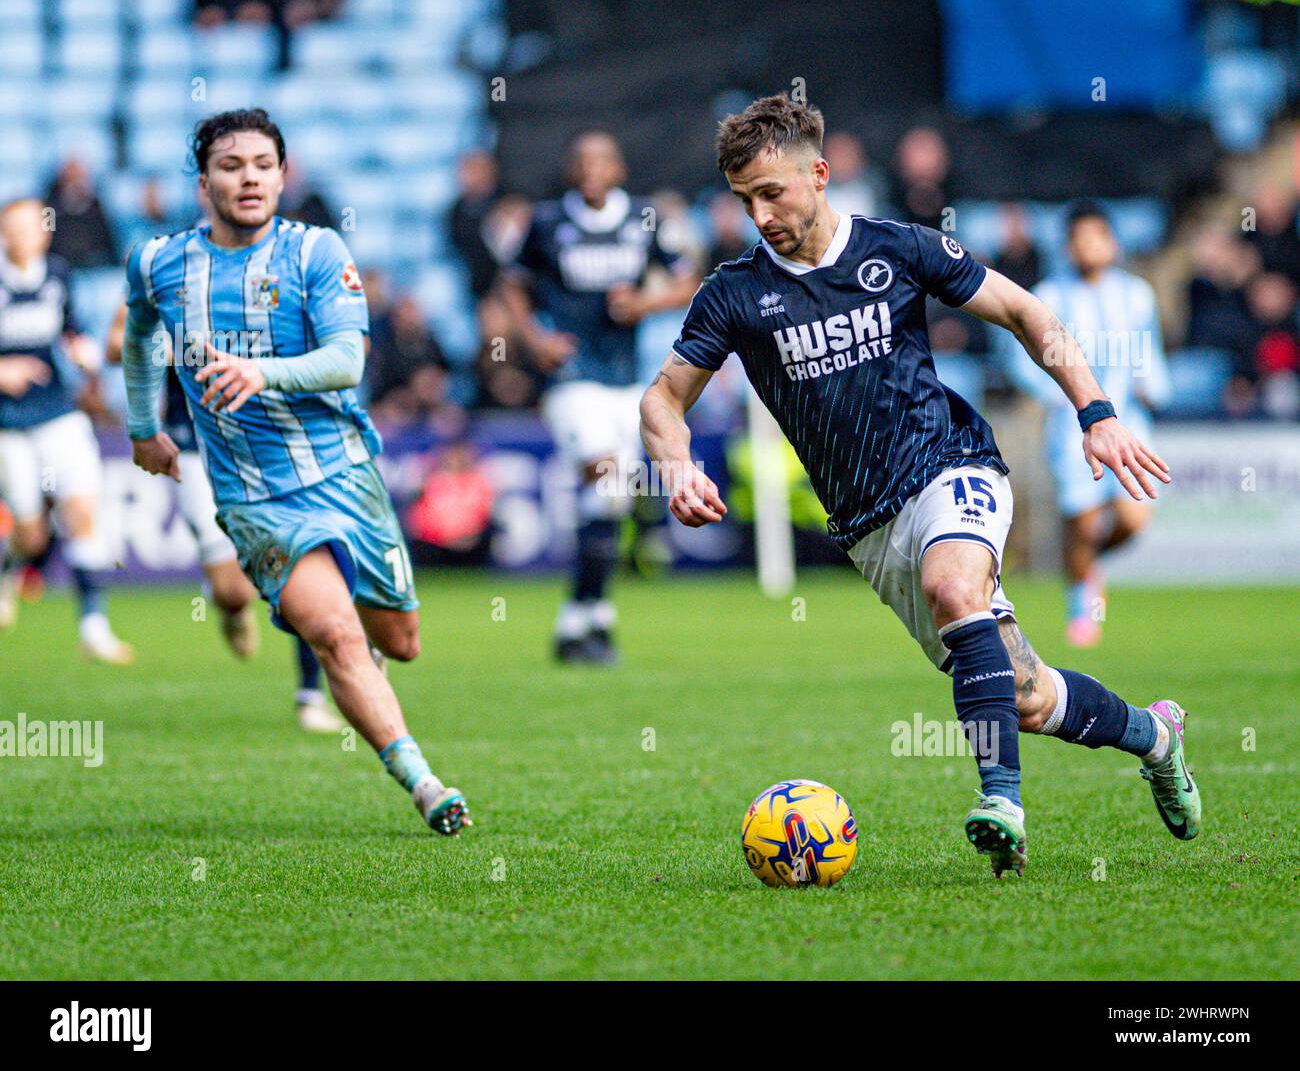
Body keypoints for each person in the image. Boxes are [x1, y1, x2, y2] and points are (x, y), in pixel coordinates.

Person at [640, 95, 1200, 877]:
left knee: (953, 586)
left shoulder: (900, 247)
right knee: (1028, 696)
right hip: (868, 526)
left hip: (954, 464)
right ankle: (1157, 736)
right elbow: (663, 399)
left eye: (772, 193)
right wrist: (675, 464)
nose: (758, 215)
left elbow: (1026, 313)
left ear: (821, 174)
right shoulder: (733, 294)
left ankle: (1001, 801)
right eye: (743, 200)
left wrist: (1096, 411)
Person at [120, 108, 469, 834]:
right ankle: (423, 782)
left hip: (343, 475)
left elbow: (347, 359)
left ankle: (363, 656)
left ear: (283, 175)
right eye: (229, 165)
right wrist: (143, 428)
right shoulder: (158, 262)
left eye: (262, 164)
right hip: (252, 496)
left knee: (399, 644)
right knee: (333, 633)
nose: (248, 177)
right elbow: (139, 335)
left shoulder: (315, 252)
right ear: (203, 179)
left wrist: (260, 372)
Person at [498, 130, 699, 664]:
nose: (591, 169)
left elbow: (690, 281)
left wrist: (644, 303)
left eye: (602, 160)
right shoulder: (546, 222)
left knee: (609, 501)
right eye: (582, 160)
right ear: (570, 169)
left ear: (619, 169)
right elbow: (513, 284)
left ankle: (584, 622)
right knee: (605, 474)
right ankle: (590, 622)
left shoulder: (644, 218)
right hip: (571, 377)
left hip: (627, 381)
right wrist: (536, 339)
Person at [105, 299, 343, 732]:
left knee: (302, 562)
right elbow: (117, 344)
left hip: (271, 444)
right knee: (234, 592)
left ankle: (310, 694)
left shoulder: (276, 277)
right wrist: (171, 348)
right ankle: (230, 607)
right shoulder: (170, 275)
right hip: (197, 445)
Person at [1006, 202, 1171, 646]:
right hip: (1072, 426)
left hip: (1128, 420)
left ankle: (1083, 565)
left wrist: (1154, 385)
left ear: (1112, 243)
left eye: (1095, 237)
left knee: (1134, 519)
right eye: (1078, 239)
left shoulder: (1136, 293)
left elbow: (1147, 349)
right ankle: (1082, 603)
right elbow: (1021, 361)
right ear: (1067, 246)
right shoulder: (1049, 296)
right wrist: (1056, 400)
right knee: (1081, 522)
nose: (1087, 247)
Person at [0, 198, 134, 662]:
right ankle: (9, 567)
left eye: (32, 226)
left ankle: (93, 627)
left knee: (81, 509)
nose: (24, 235)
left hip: (58, 411)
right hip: (9, 423)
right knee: (31, 532)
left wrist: (81, 350)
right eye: (14, 227)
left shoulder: (56, 275)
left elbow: (70, 329)